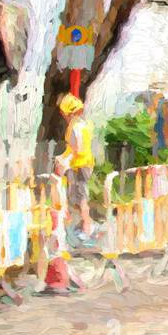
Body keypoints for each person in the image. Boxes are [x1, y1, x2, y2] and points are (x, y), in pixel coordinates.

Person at [56, 94, 96, 239]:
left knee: (81, 198)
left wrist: (65, 162)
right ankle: (83, 225)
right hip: (81, 164)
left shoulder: (76, 127)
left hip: (80, 166)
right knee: (77, 197)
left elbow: (77, 148)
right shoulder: (81, 124)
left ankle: (87, 227)